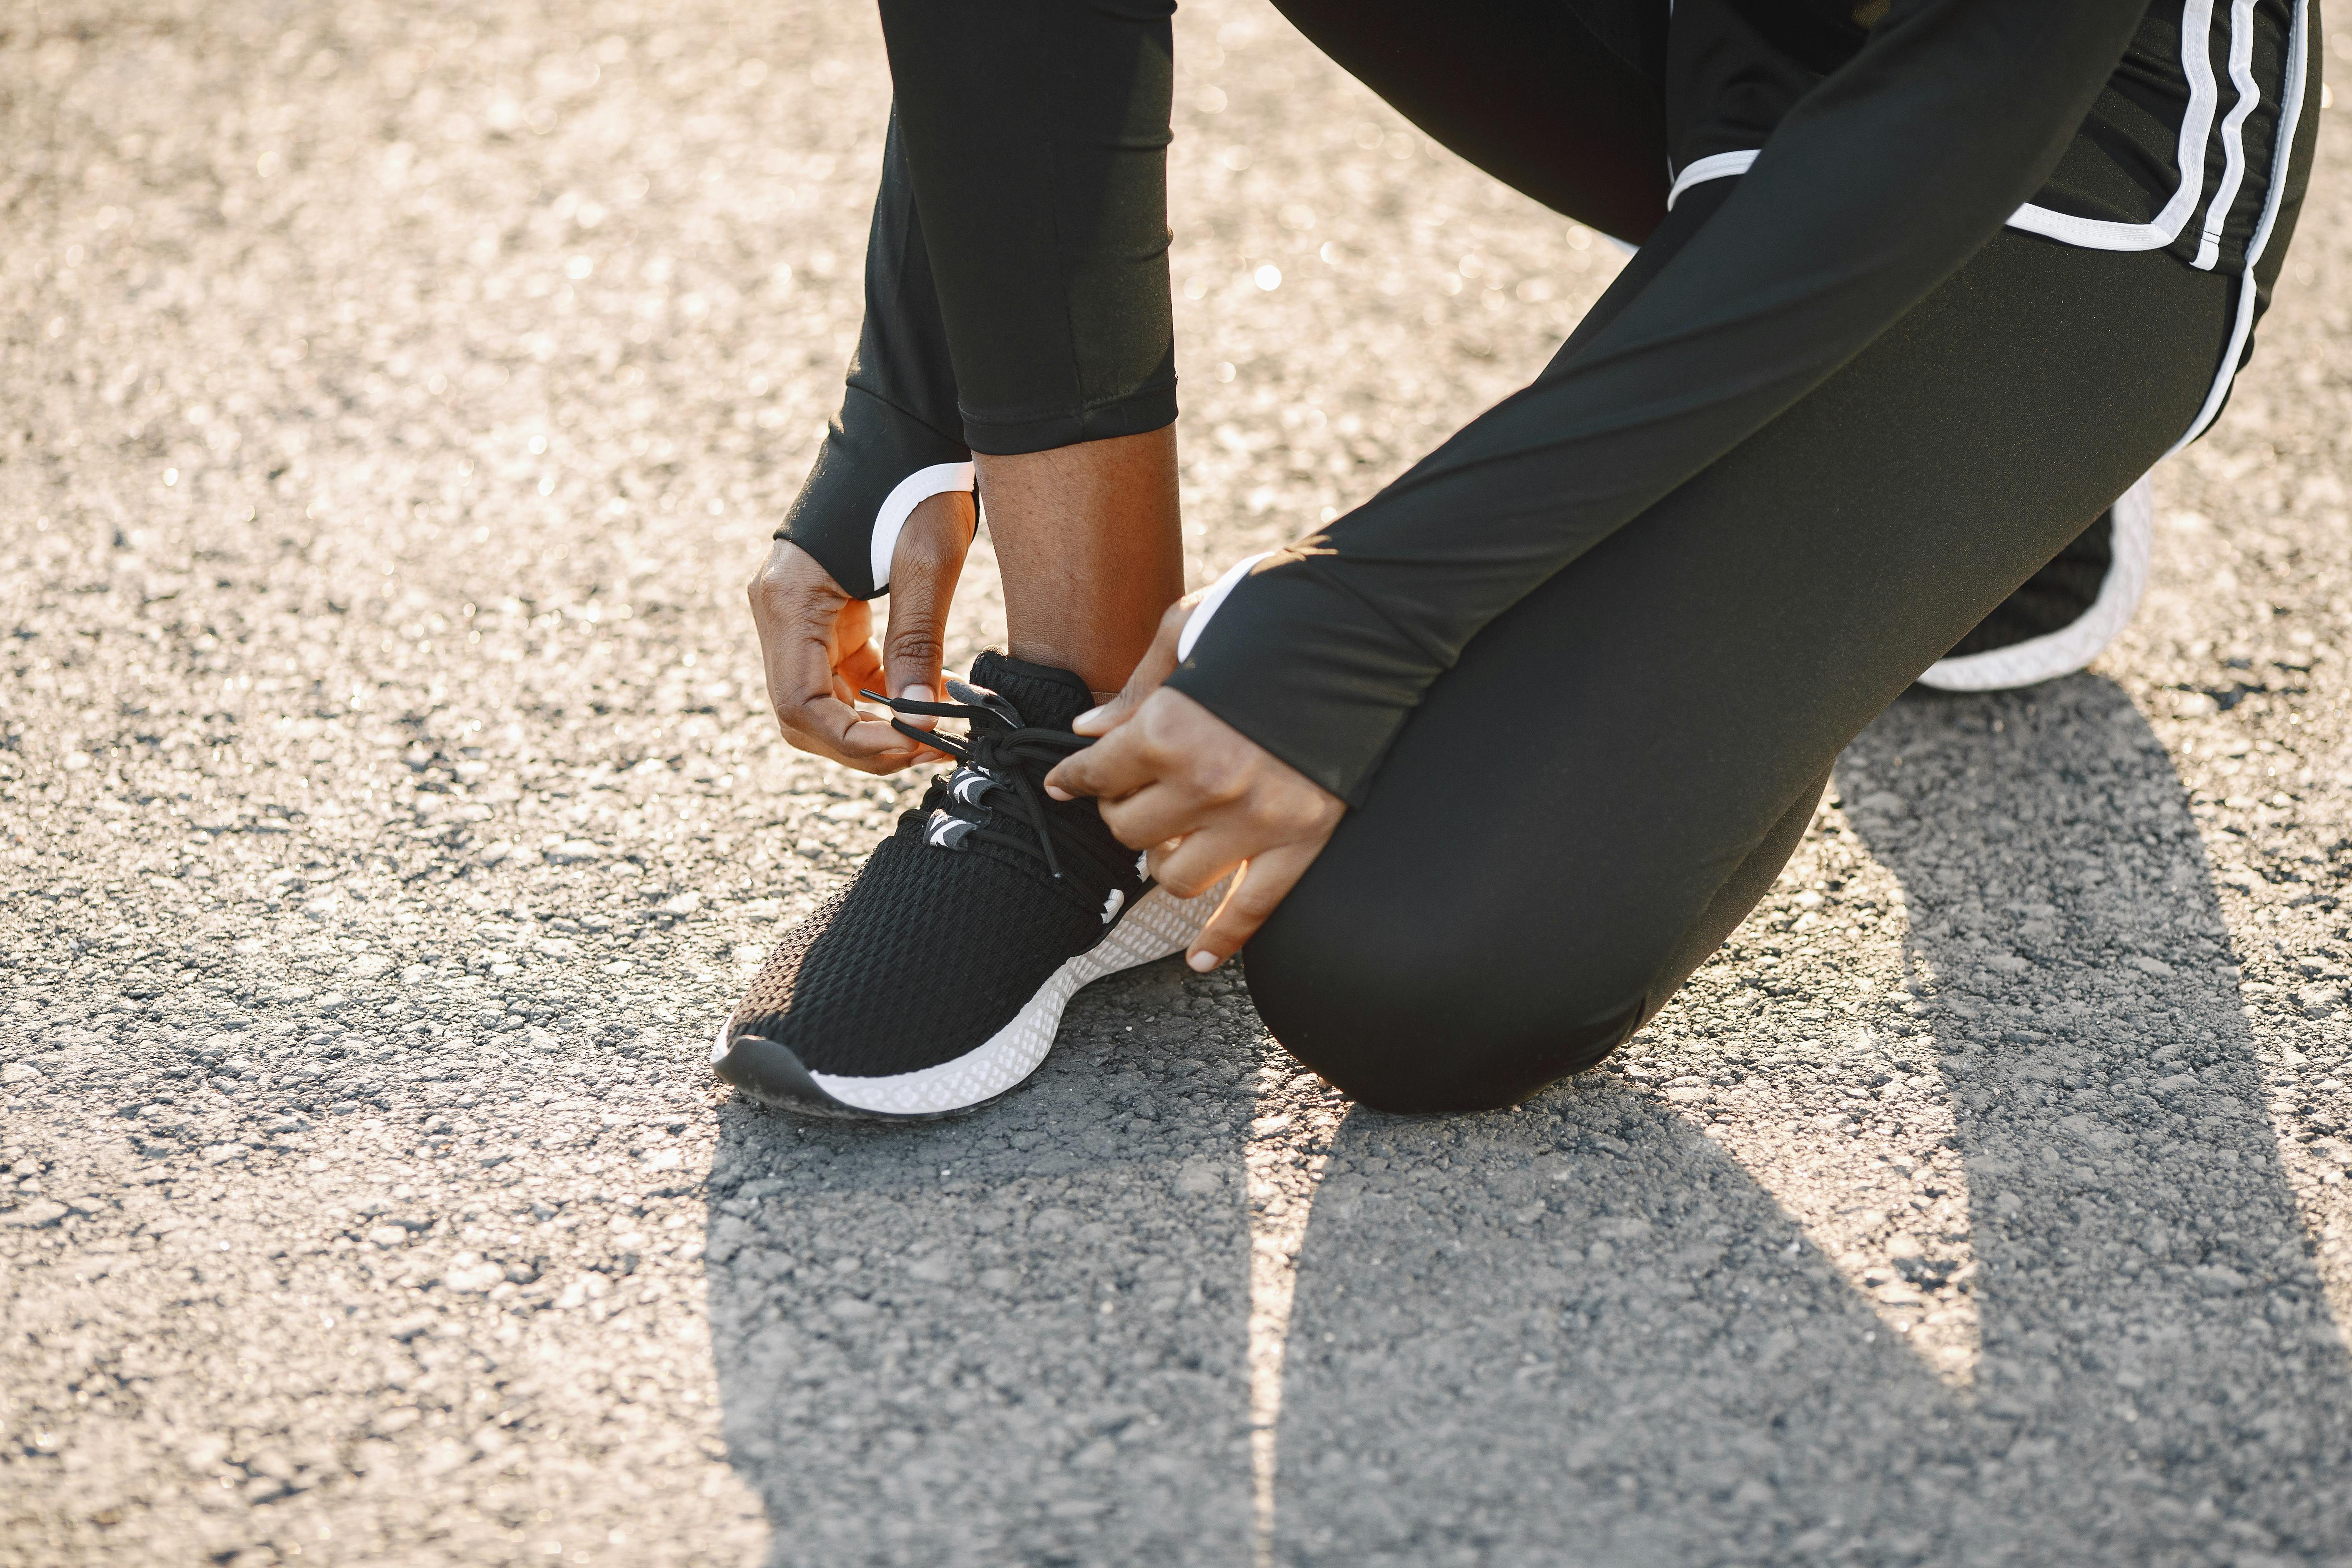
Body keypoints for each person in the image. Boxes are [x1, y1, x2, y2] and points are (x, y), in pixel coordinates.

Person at [713, 0, 2318, 1120]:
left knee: (1414, 965)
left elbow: (1973, 84)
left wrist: (1354, 614)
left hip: (2057, 147)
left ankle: (1987, 477)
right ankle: (1081, 754)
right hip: (1707, 44)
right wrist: (909, 408)